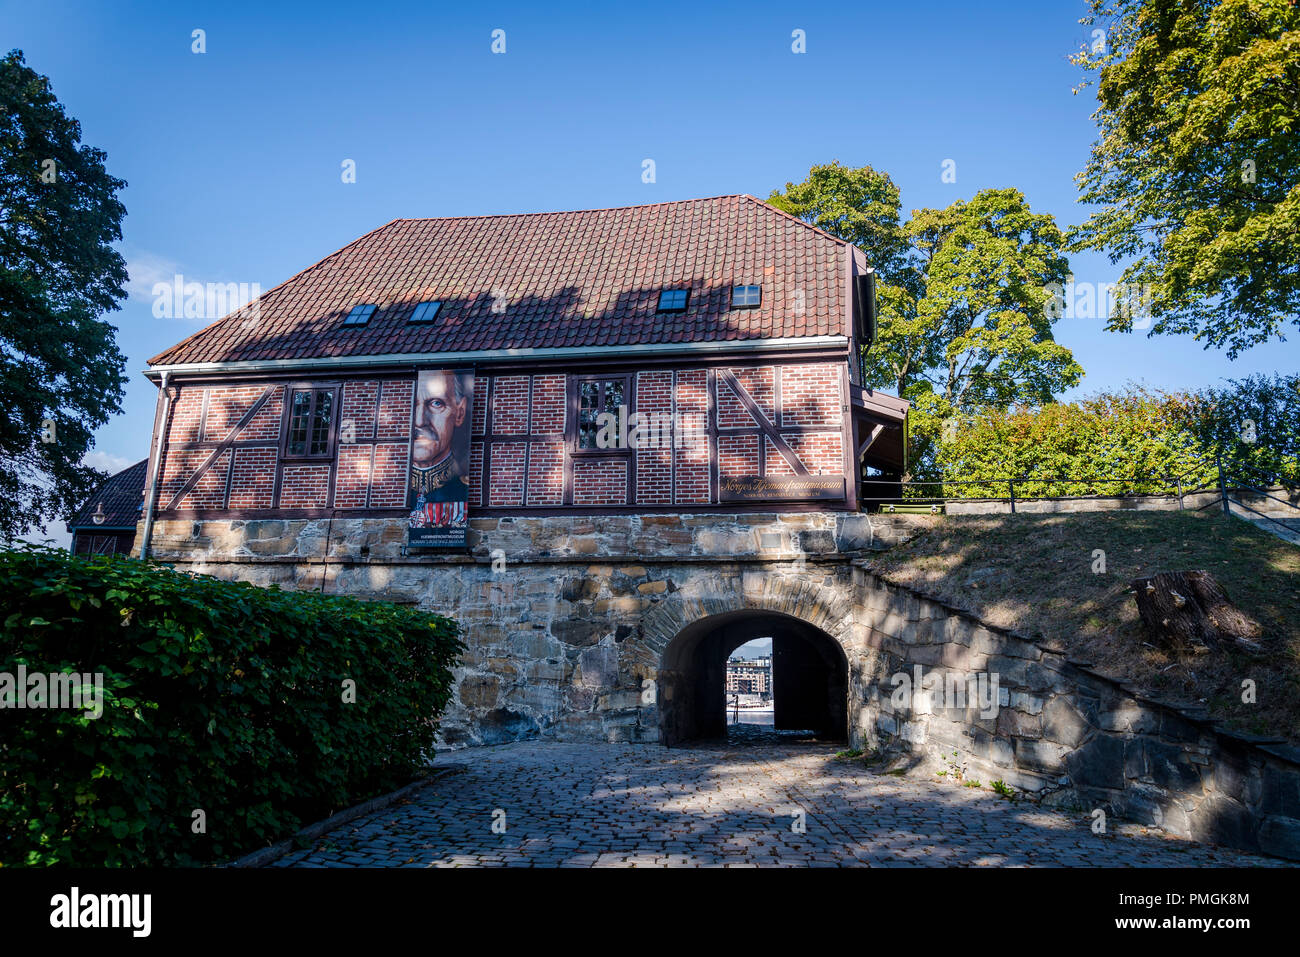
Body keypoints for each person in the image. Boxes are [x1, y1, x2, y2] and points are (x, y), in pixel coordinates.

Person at [408, 370, 470, 522]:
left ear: (460, 413)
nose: (420, 421)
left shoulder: (462, 489)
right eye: (412, 404)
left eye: (436, 403)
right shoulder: (389, 491)